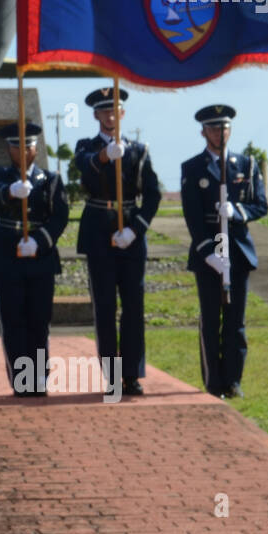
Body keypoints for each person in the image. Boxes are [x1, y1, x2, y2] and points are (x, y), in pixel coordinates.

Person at [73, 87, 161, 396]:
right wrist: (104, 156)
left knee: (134, 306)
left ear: (123, 113)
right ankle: (112, 376)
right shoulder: (86, 146)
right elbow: (84, 165)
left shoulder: (139, 150)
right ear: (96, 115)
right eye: (104, 111)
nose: (111, 116)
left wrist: (135, 229)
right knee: (105, 307)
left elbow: (153, 194)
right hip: (99, 231)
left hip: (131, 236)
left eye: (115, 110)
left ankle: (131, 375)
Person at [181, 105, 268, 399]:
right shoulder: (192, 168)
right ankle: (212, 381)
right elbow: (192, 216)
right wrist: (208, 252)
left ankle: (233, 380)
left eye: (225, 128)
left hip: (238, 250)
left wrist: (237, 211)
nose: (221, 133)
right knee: (210, 319)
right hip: (209, 251)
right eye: (214, 128)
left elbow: (261, 205)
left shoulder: (246, 164)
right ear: (203, 132)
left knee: (236, 321)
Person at [0, 121, 68, 396]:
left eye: (28, 146)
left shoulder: (50, 180)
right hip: (7, 252)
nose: (23, 151)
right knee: (13, 318)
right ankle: (20, 378)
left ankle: (39, 376)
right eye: (17, 147)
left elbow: (60, 216)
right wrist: (11, 191)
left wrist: (40, 241)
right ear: (9, 149)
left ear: (35, 148)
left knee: (39, 319)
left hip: (38, 255)